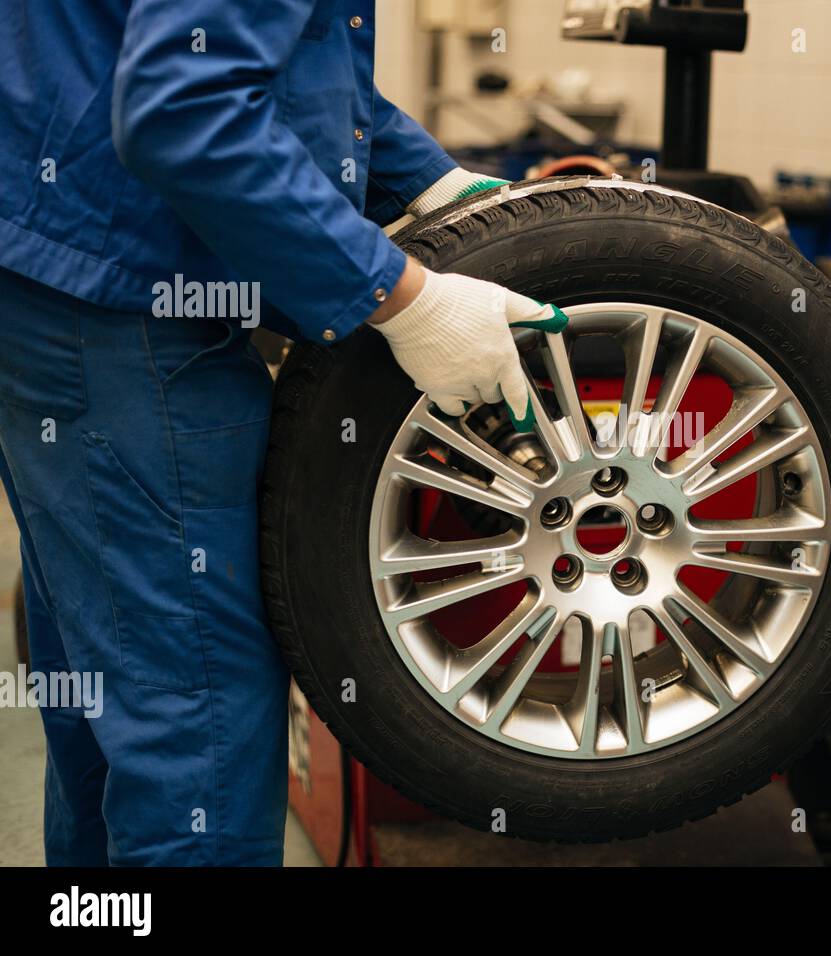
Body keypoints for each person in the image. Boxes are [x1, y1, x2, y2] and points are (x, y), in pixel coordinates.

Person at [0, 0, 564, 865]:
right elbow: (185, 108)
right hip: (119, 293)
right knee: (196, 721)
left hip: (57, 255)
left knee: (109, 695)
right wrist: (405, 299)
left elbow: (273, 67)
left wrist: (429, 183)